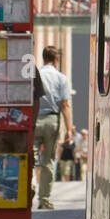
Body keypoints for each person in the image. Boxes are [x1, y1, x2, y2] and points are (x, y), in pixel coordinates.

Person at [34, 46, 73, 209]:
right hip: (52, 120)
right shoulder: (61, 78)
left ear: (43, 58)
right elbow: (64, 105)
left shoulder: (36, 75)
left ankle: (29, 189)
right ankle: (44, 199)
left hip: (34, 119)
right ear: (56, 60)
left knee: (31, 158)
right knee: (48, 161)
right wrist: (69, 129)